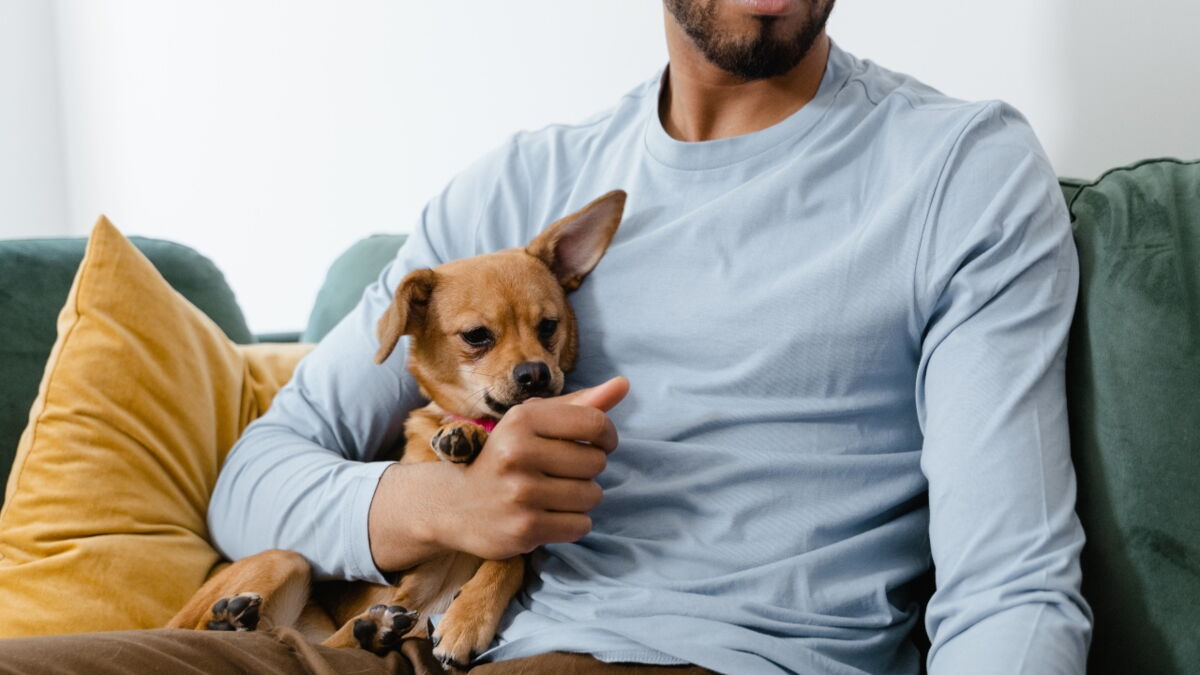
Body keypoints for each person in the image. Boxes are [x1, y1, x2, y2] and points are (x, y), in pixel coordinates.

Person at [0, 1, 1093, 673]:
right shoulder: (515, 191)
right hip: (385, 639)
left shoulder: (958, 171)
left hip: (677, 656)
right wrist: (440, 503)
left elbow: (1012, 586)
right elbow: (254, 477)